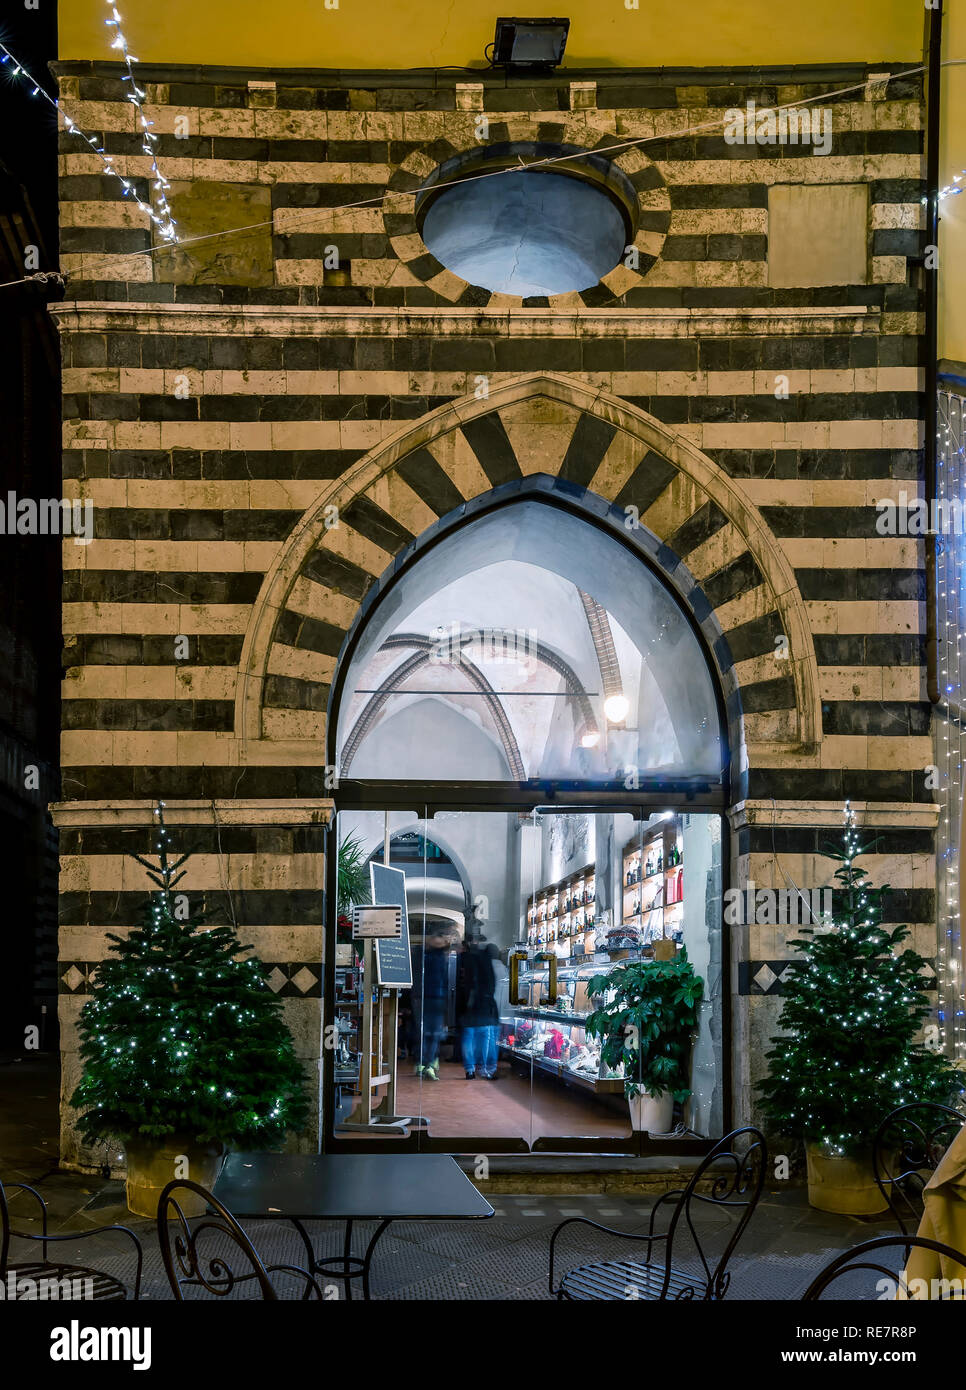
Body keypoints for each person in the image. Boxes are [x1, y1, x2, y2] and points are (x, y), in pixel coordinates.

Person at [456, 932, 500, 1080]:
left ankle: (470, 1069)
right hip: (484, 1004)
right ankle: (485, 1068)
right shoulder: (486, 959)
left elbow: (460, 983)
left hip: (468, 1004)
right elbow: (492, 983)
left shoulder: (464, 959)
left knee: (468, 1037)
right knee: (485, 1035)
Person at [413, 928, 454, 1081]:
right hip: (435, 998)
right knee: (432, 1034)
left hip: (424, 998)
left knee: (424, 1033)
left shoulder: (422, 955)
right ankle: (428, 1064)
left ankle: (424, 1064)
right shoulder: (442, 957)